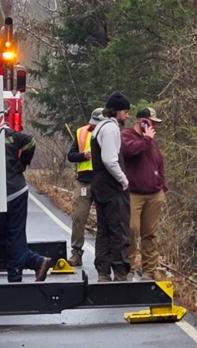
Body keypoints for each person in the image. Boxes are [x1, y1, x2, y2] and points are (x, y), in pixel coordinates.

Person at [0, 127, 53, 283]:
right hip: (9, 191)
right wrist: (23, 162)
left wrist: (22, 162)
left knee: (11, 237)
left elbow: (30, 140)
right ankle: (36, 261)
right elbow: (30, 141)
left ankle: (15, 276)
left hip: (5, 193)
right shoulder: (9, 134)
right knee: (5, 237)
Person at [90, 92, 133, 282]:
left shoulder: (99, 127)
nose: (127, 115)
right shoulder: (110, 129)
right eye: (125, 111)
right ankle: (120, 270)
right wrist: (123, 180)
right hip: (111, 185)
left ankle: (103, 270)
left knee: (104, 228)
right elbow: (109, 160)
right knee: (118, 228)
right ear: (115, 111)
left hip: (99, 185)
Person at [122, 106, 168, 281]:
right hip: (134, 193)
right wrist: (146, 139)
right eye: (151, 122)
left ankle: (149, 269)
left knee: (150, 233)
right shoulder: (127, 136)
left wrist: (163, 187)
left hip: (154, 193)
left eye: (155, 124)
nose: (153, 127)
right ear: (142, 121)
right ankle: (130, 267)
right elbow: (129, 151)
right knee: (132, 230)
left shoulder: (152, 141)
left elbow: (159, 163)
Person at [64, 107, 104, 266]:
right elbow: (71, 155)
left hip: (103, 182)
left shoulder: (110, 133)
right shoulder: (81, 132)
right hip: (84, 182)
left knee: (106, 220)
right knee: (79, 217)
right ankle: (76, 252)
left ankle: (104, 256)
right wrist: (84, 155)